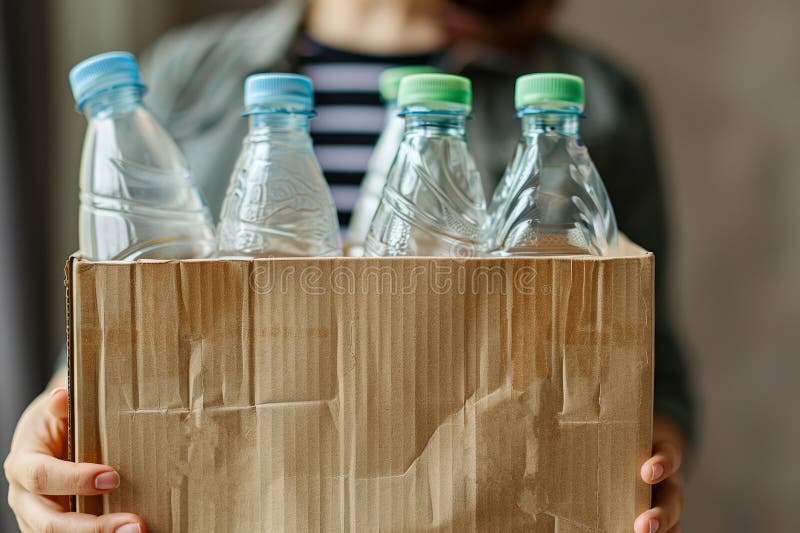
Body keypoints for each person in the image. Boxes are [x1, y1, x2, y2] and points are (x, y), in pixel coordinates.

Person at [4, 0, 694, 531]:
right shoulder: (184, 72)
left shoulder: (598, 97)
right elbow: (124, 315)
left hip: (479, 499)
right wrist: (63, 419)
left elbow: (641, 346)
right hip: (235, 497)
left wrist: (647, 443)